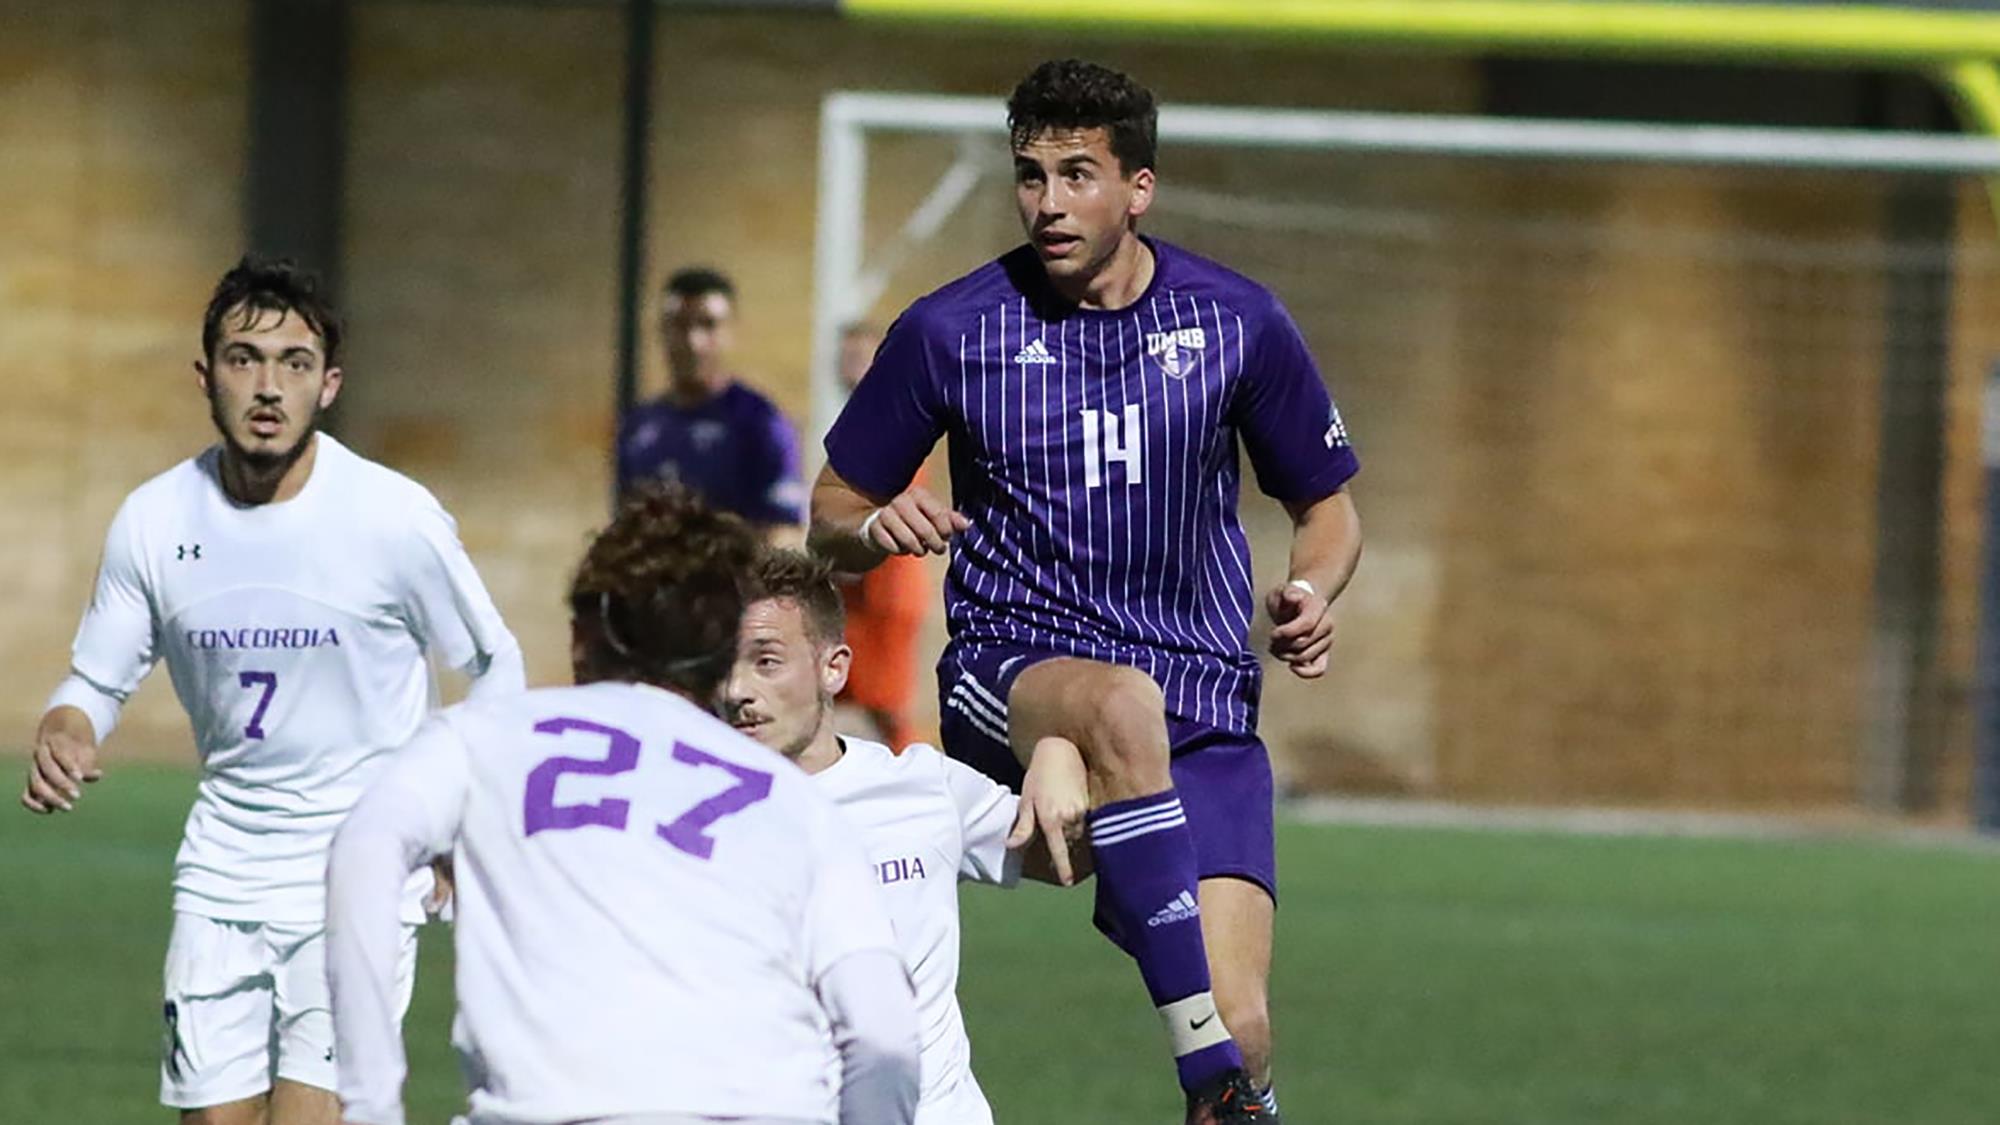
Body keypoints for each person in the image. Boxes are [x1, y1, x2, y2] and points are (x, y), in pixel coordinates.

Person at [809, 58, 1364, 1123]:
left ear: (1137, 188)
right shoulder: (949, 332)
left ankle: (1217, 1063)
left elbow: (1328, 509)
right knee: (1114, 708)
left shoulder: (1237, 322)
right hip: (1006, 669)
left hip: (1200, 702)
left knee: (1246, 1031)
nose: (1048, 202)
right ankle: (1191, 1043)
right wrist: (874, 529)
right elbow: (829, 509)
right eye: (1029, 175)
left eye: (1076, 174)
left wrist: (1310, 589)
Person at [18, 256, 525, 1125]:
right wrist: (67, 725)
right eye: (243, 358)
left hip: (360, 870)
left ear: (329, 384)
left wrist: (453, 815)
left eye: (294, 363)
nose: (267, 386)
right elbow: (98, 678)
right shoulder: (155, 519)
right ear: (205, 375)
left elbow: (492, 667)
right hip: (221, 875)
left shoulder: (391, 518)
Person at [326, 487, 919, 1125]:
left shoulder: (482, 739)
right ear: (722, 651)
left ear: (583, 637)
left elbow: (363, 848)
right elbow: (884, 1034)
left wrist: (369, 1104)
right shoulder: (798, 807)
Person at [723, 550, 1088, 1125]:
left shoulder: (922, 787)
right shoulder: (687, 814)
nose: (738, 689)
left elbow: (1072, 855)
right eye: (723, 665)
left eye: (766, 661)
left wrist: (1061, 750)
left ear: (833, 668)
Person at [616, 267, 806, 542]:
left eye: (708, 325)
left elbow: (783, 532)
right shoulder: (637, 427)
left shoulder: (760, 423)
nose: (693, 342)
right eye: (680, 325)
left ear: (730, 331)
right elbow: (624, 526)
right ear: (662, 330)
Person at [829, 322, 931, 748]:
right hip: (858, 594)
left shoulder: (893, 422)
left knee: (884, 709)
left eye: (861, 357)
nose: (850, 366)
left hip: (884, 594)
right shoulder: (859, 423)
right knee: (848, 701)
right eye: (845, 356)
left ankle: (914, 794)